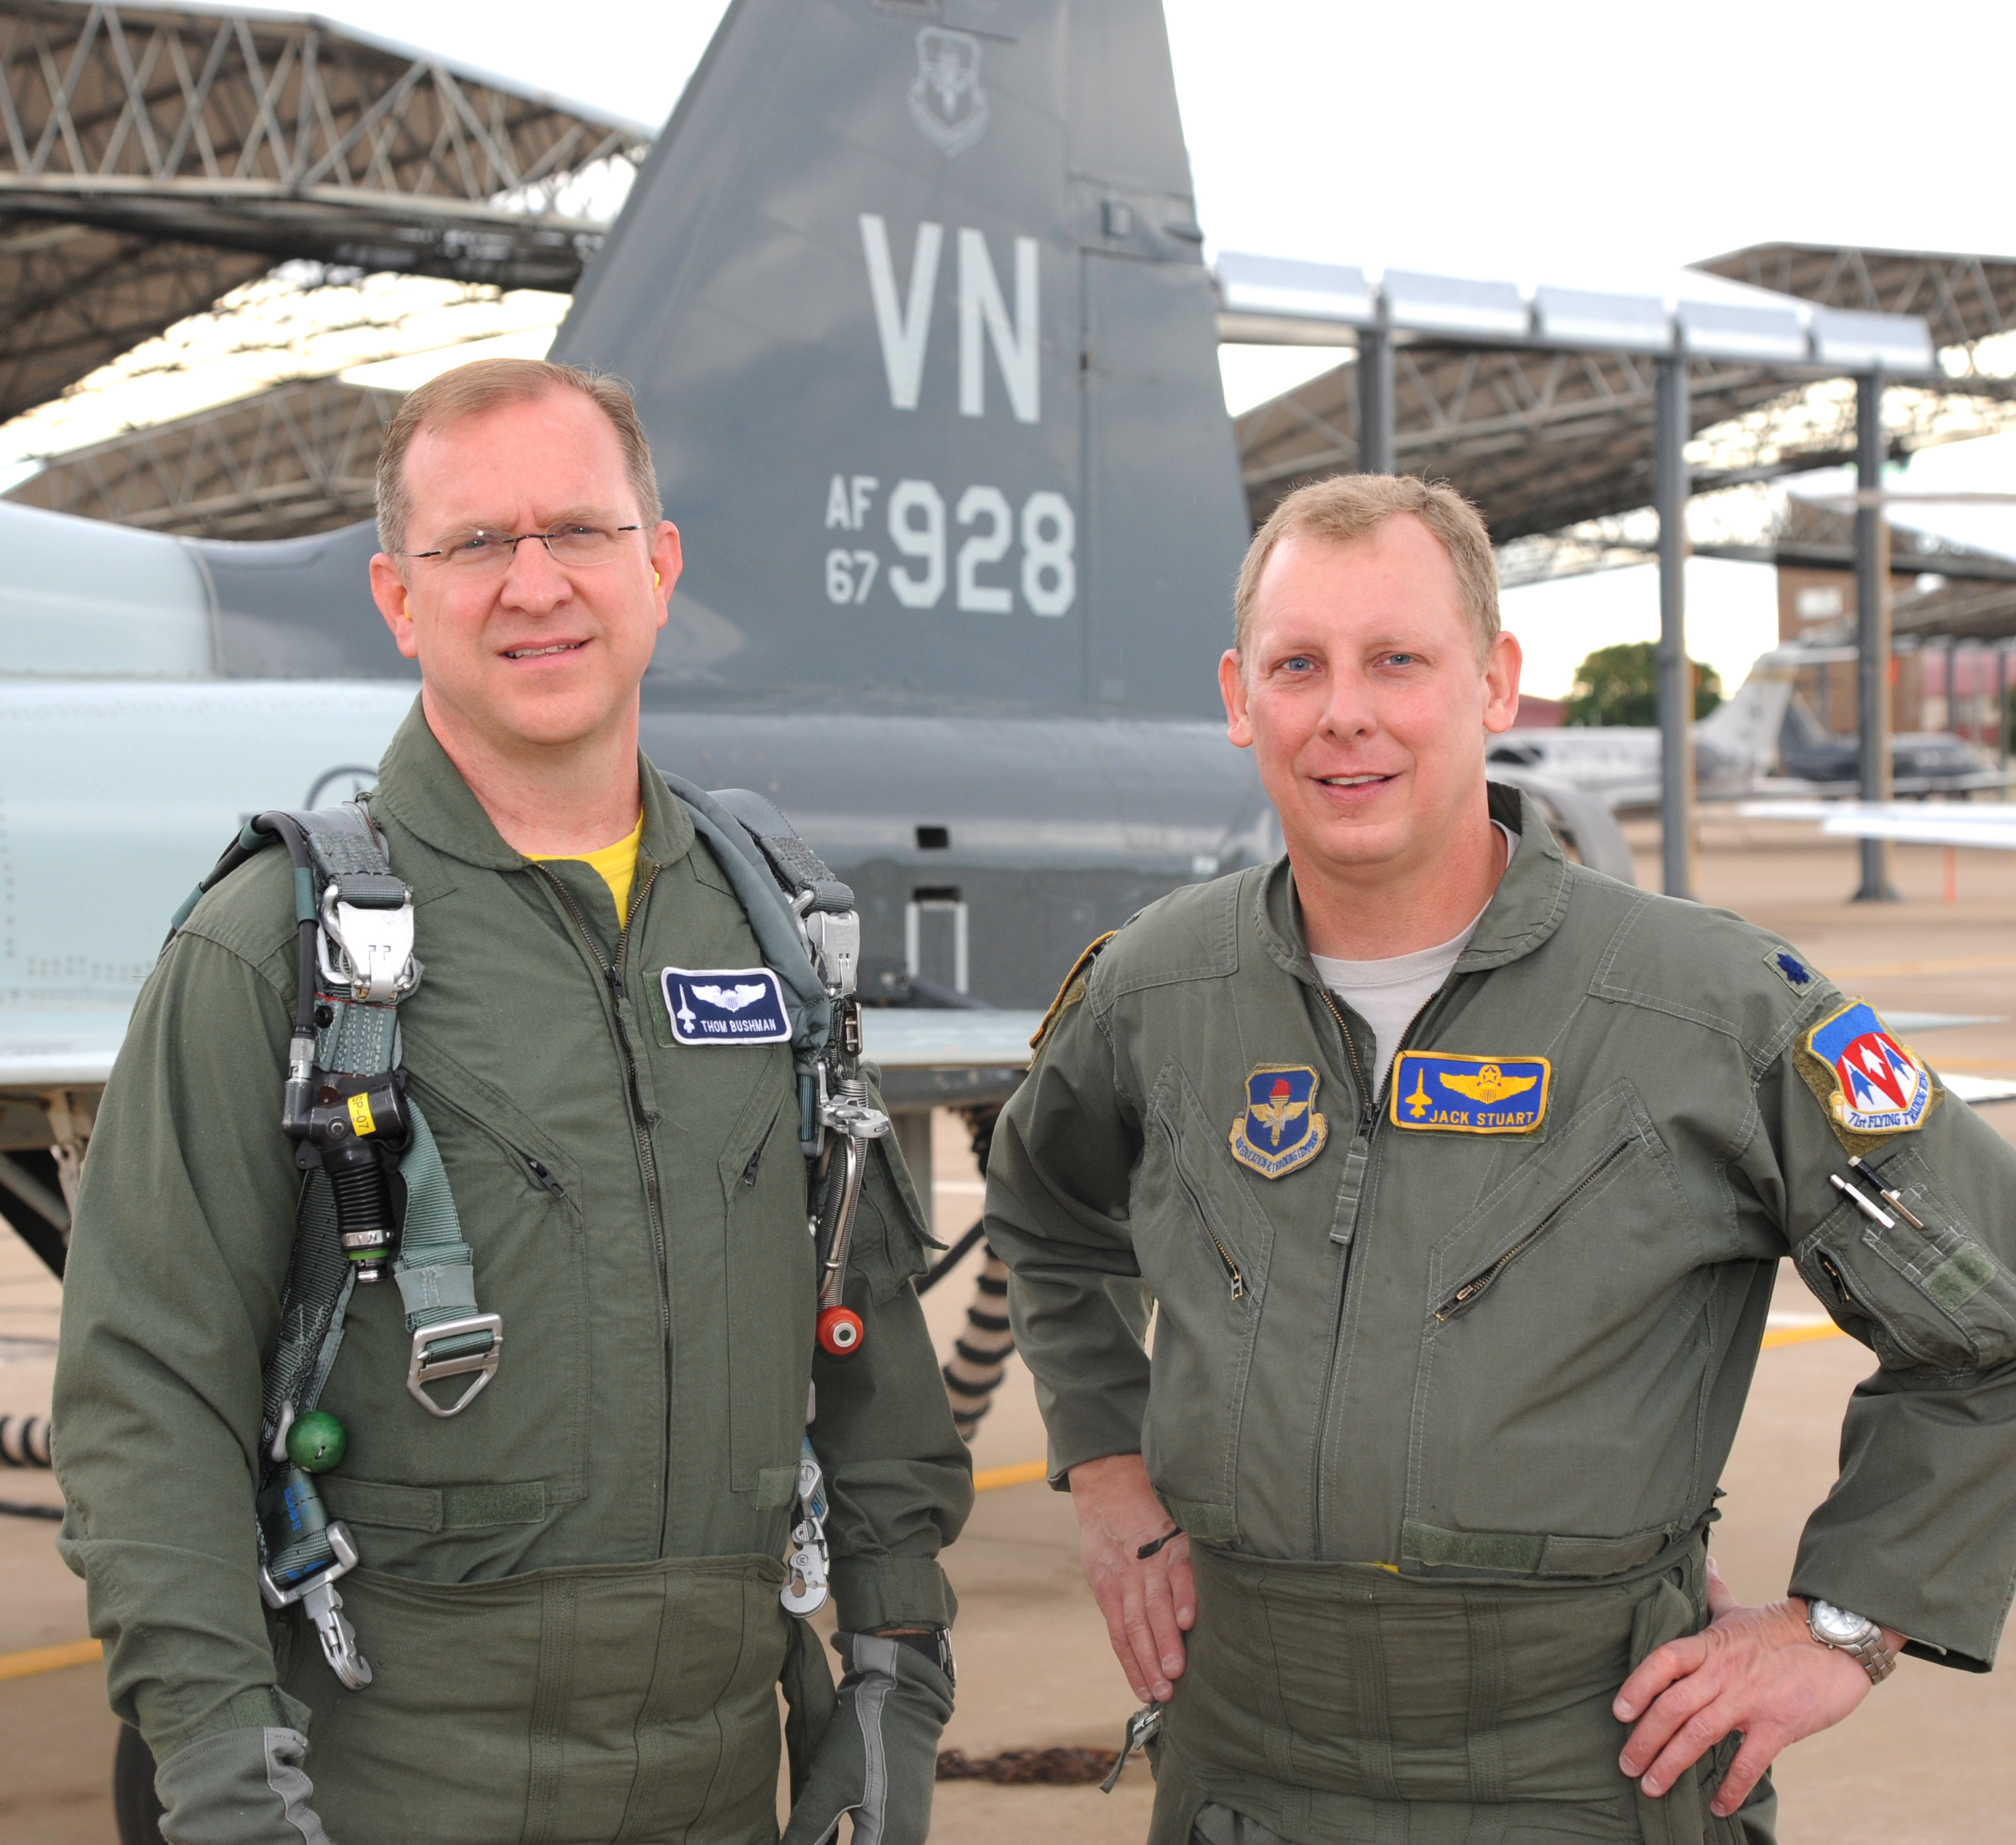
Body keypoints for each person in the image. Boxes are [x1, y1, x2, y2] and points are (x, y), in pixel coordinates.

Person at [984, 472, 2016, 1845]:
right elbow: (1045, 1211)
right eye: (1299, 665)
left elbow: (1989, 1323)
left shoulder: (1707, 1010)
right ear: (1241, 698)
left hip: (1582, 1771)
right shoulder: (1155, 990)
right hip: (1238, 1764)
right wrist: (1106, 1466)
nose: (1343, 712)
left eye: (1396, 660)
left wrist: (1844, 1622)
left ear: (1491, 683)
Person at [54, 358, 971, 1845]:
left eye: (580, 533)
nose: (532, 582)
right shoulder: (273, 953)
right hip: (396, 1786)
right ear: (398, 598)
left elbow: (859, 1340)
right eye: (474, 544)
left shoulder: (774, 940)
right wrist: (224, 1773)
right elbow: (146, 1396)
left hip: (720, 1781)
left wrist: (889, 1678)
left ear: (658, 569)